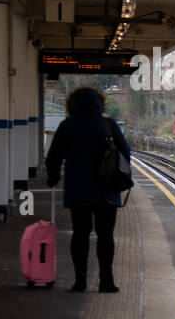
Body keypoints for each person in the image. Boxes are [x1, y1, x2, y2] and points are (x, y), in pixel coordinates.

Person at [44, 86, 131, 293]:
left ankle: (80, 281)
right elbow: (125, 152)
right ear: (100, 104)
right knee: (105, 235)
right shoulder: (108, 125)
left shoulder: (67, 126)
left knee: (80, 234)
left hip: (78, 190)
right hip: (107, 189)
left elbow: (53, 157)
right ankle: (106, 281)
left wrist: (53, 177)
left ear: (71, 105)